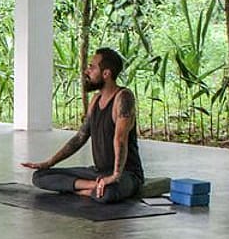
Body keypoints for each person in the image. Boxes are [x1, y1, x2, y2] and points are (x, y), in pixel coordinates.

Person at [22, 48, 144, 203]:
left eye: (92, 67)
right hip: (98, 172)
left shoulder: (123, 97)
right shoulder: (95, 100)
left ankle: (87, 189)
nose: (87, 71)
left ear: (106, 74)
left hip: (126, 174)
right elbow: (80, 138)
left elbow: (120, 139)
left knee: (109, 193)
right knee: (40, 176)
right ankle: (92, 186)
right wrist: (48, 163)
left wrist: (115, 176)